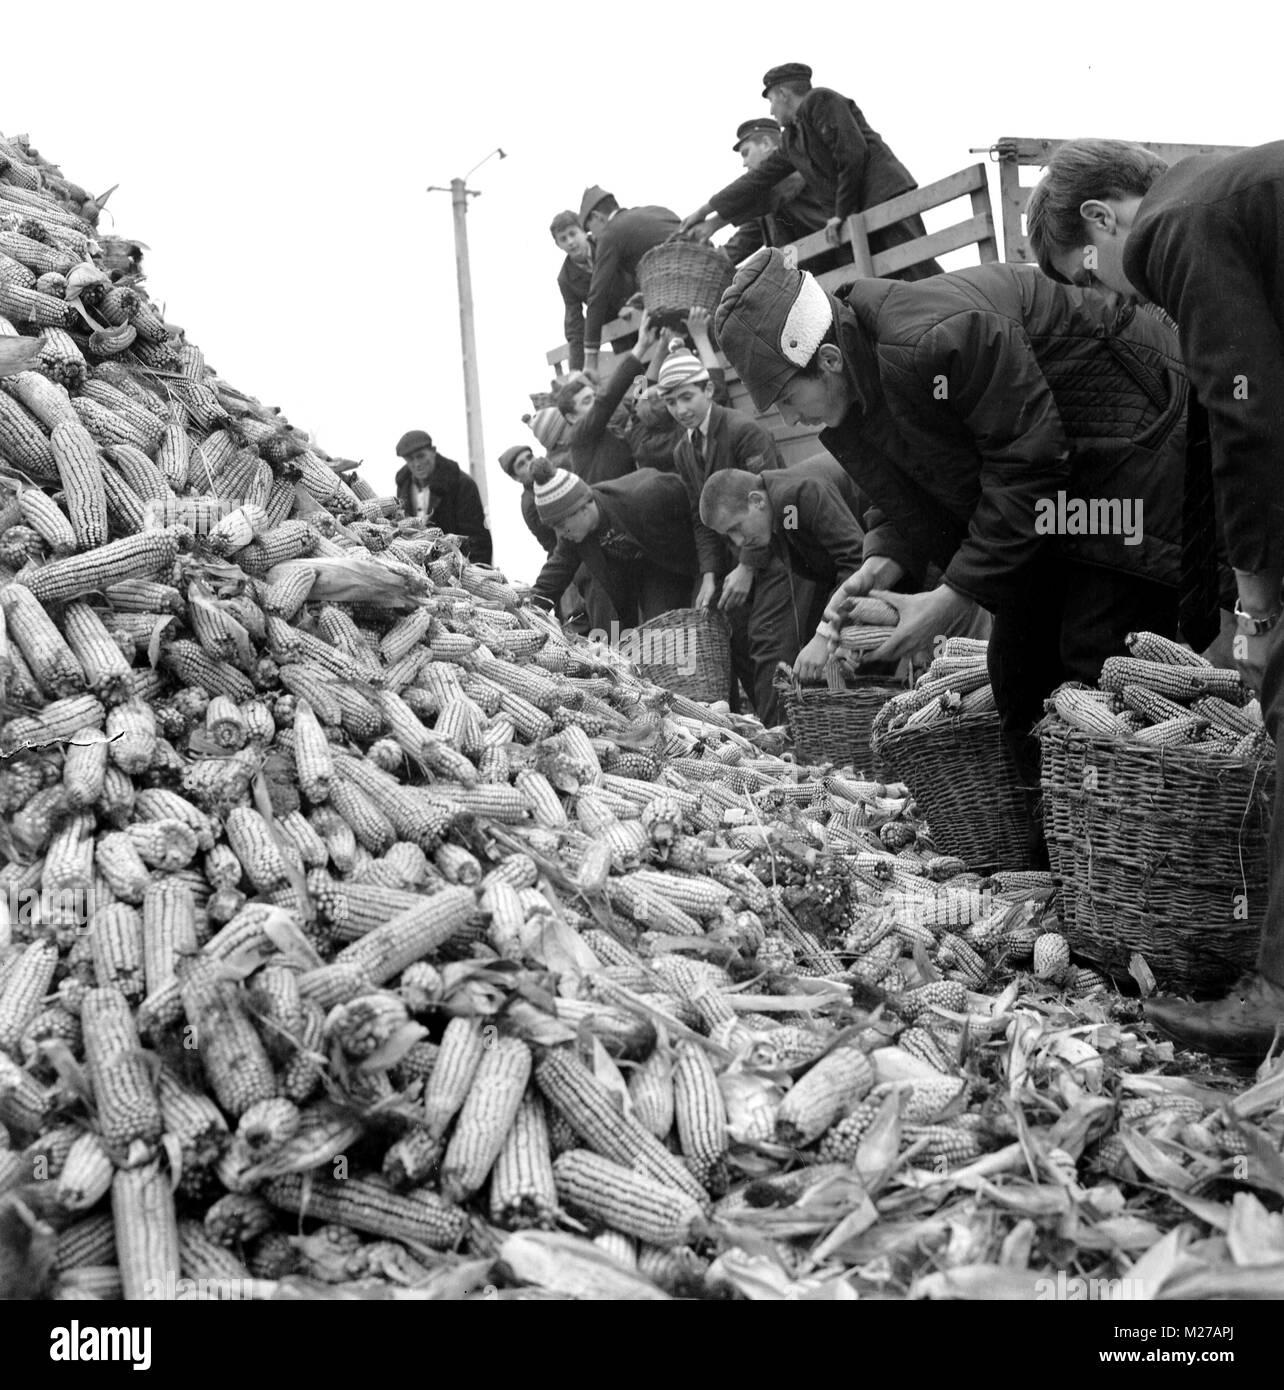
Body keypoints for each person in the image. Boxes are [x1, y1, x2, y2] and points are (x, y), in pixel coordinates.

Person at [714, 247, 1189, 856]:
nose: (788, 417)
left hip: (1125, 458)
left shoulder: (932, 340)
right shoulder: (850, 399)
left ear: (827, 359)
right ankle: (1064, 869)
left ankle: (1142, 867)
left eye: (785, 397)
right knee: (1017, 677)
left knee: (1091, 665)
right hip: (1048, 500)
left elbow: (1027, 464)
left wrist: (950, 599)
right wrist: (880, 559)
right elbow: (908, 492)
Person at [1025, 138, 1284, 1057]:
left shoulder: (1177, 225)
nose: (1114, 298)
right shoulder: (1229, 197)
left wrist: (1254, 609)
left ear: (1102, 219)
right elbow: (1223, 427)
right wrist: (1214, 609)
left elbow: (1250, 407)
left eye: (1087, 275)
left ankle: (1279, 994)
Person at [681, 64, 941, 281]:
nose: (771, 110)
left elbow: (852, 155)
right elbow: (756, 181)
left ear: (783, 93)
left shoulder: (821, 100)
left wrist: (840, 214)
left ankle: (968, 313)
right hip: (859, 214)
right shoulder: (793, 140)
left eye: (771, 100)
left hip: (884, 197)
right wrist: (706, 212)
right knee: (898, 281)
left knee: (919, 271)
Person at [700, 458, 875, 709]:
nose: (738, 542)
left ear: (757, 501)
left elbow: (858, 563)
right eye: (728, 535)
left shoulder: (799, 494)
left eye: (736, 527)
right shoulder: (779, 512)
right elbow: (826, 573)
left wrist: (824, 635)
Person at [530, 462, 698, 632]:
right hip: (651, 578)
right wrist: (522, 611)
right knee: (661, 635)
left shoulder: (647, 495)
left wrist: (709, 570)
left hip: (690, 558)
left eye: (561, 525)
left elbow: (697, 511)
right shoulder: (574, 537)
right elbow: (552, 577)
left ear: (581, 508)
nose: (561, 534)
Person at [579, 187, 680, 373]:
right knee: (640, 370)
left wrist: (590, 361)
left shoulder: (610, 235)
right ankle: (642, 398)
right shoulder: (654, 211)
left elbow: (597, 296)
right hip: (636, 325)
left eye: (589, 229)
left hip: (658, 315)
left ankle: (643, 397)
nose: (592, 236)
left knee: (646, 370)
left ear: (597, 217)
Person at [719, 118, 830, 266]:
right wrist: (710, 257)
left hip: (840, 263)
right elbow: (743, 242)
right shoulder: (765, 201)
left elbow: (771, 197)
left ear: (766, 144)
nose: (744, 163)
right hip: (811, 274)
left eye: (746, 153)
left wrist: (712, 222)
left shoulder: (795, 172)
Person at [394, 430, 491, 563]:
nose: (417, 464)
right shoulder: (403, 486)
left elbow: (477, 540)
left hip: (456, 567)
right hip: (418, 566)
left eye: (421, 456)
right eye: (411, 459)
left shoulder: (462, 485)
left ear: (433, 451)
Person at [551, 211, 594, 372]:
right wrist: (575, 370)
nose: (570, 242)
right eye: (563, 238)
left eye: (572, 234)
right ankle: (644, 397)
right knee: (637, 371)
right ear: (558, 244)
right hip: (610, 322)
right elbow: (574, 322)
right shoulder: (565, 279)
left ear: (583, 230)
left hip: (636, 307)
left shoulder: (605, 244)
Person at [498, 444, 556, 556]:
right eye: (521, 464)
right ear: (516, 478)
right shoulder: (530, 504)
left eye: (530, 457)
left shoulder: (554, 475)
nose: (529, 463)